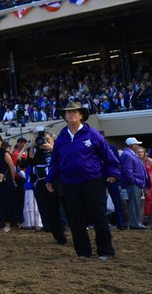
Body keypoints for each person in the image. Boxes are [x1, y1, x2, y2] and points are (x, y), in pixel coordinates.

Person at [44, 101, 120, 260]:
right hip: (69, 183)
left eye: (75, 112)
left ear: (81, 115)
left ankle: (105, 251)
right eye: (68, 112)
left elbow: (107, 155)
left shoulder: (93, 134)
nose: (71, 114)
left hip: (93, 180)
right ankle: (83, 252)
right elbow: (55, 161)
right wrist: (50, 178)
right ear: (65, 116)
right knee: (74, 218)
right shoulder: (62, 138)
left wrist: (113, 171)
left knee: (98, 216)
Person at [26, 130, 67, 244]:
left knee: (63, 210)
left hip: (58, 183)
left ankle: (66, 228)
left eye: (48, 139)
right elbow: (30, 162)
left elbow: (66, 159)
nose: (44, 142)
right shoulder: (38, 151)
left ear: (53, 140)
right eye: (43, 140)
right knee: (50, 212)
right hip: (42, 184)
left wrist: (52, 148)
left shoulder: (59, 148)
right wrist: (33, 146)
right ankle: (59, 237)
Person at [0, 133, 17, 233]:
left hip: (6, 181)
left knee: (6, 202)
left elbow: (12, 167)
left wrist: (12, 179)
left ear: (1, 142)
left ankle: (8, 224)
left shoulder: (4, 153)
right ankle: (1, 221)